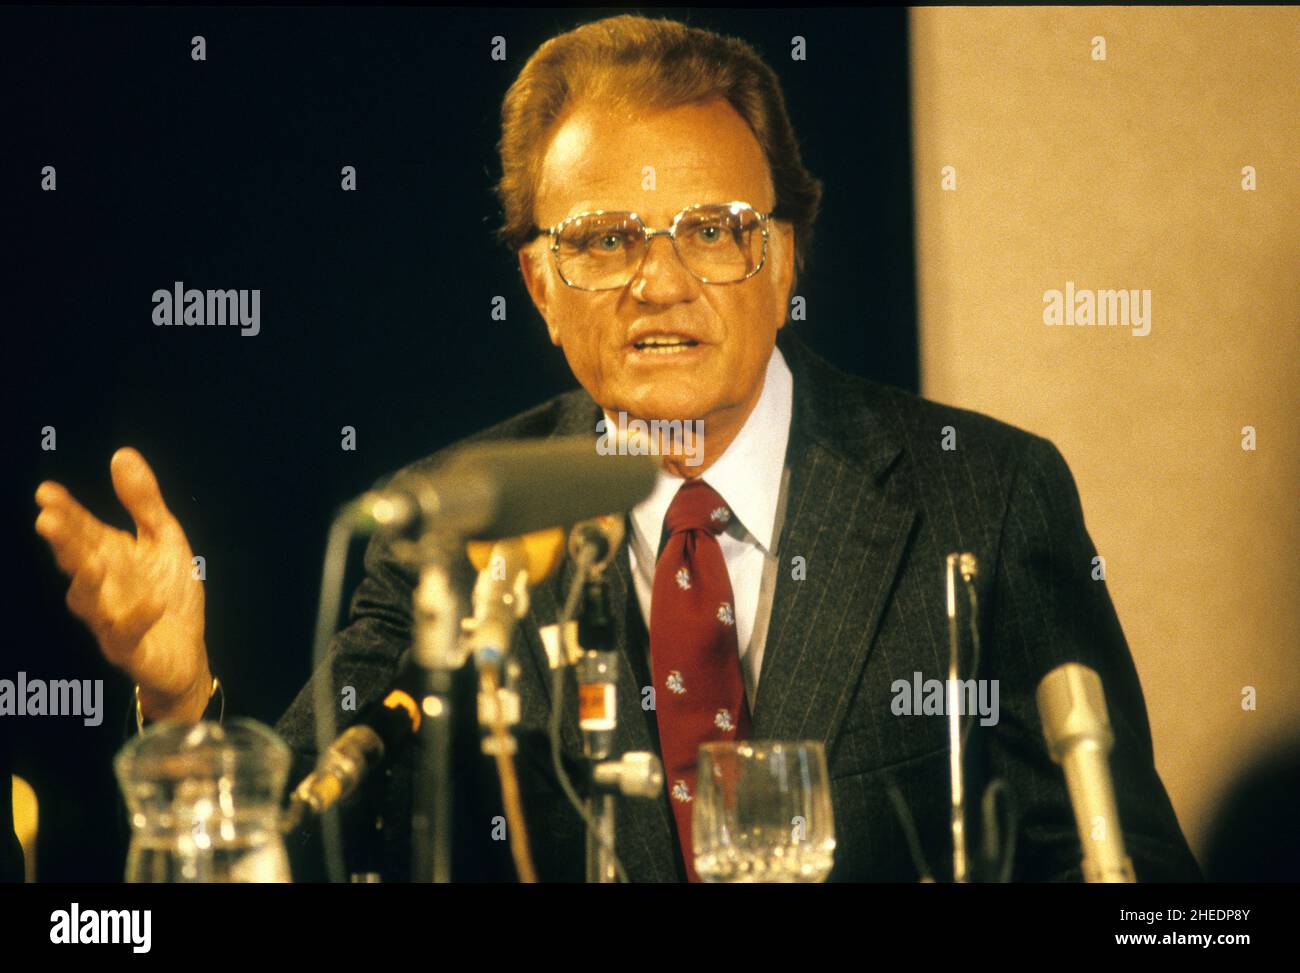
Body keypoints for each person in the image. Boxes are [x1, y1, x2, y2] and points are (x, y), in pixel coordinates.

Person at [32, 14, 1201, 882]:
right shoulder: (457, 520)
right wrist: (181, 701)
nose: (660, 281)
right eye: (603, 240)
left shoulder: (983, 497)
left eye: (715, 231)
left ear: (786, 258)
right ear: (540, 285)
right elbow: (294, 843)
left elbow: (1129, 873)